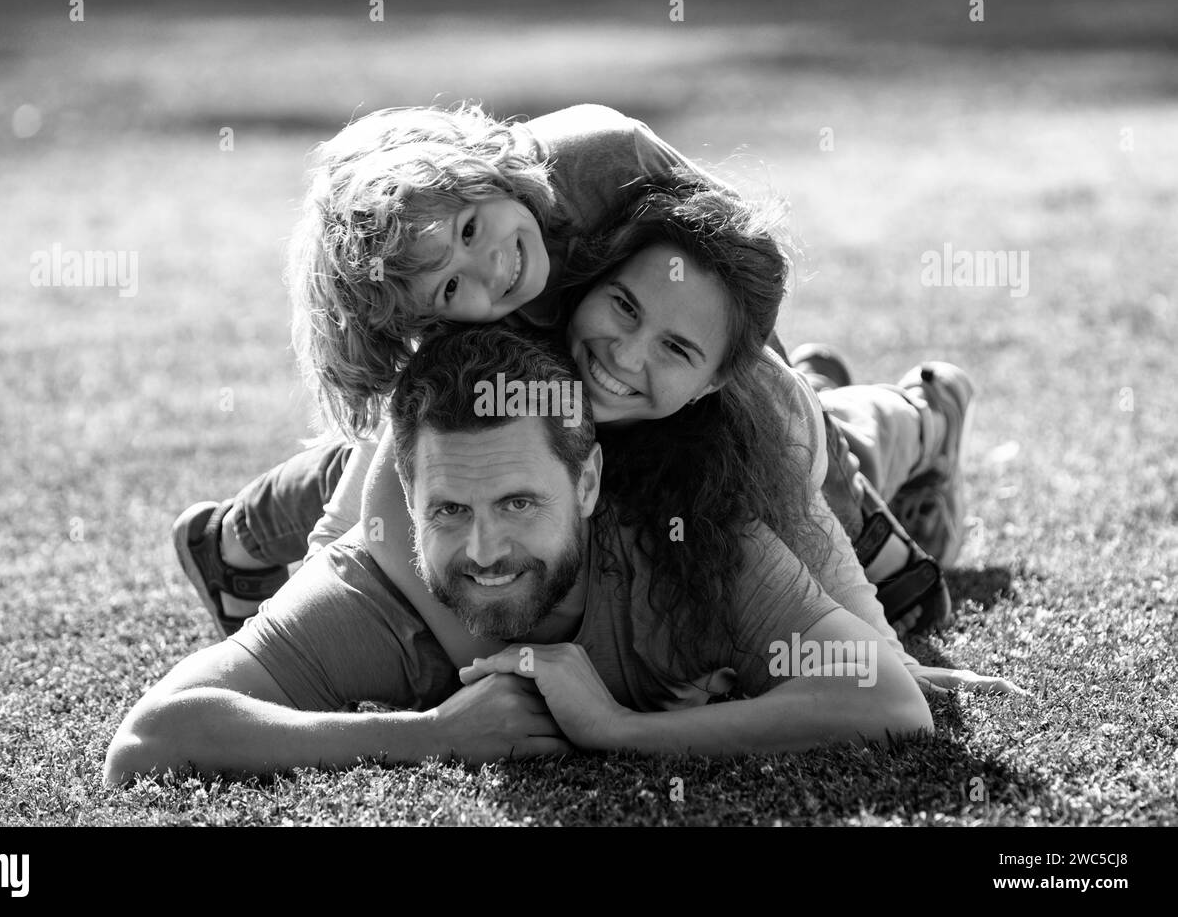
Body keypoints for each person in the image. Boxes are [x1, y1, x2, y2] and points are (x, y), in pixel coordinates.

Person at [174, 106, 950, 639]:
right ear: (429, 317)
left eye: (473, 228)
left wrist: (851, 511)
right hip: (584, 387)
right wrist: (318, 599)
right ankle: (231, 537)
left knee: (761, 399)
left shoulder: (605, 157)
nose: (490, 271)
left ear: (480, 172)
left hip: (664, 365)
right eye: (450, 287)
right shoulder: (468, 331)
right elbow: (376, 477)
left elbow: (736, 306)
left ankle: (899, 417)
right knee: (448, 461)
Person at [103, 325, 936, 786]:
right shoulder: (376, 592)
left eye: (519, 504)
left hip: (789, 441)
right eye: (450, 510)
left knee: (841, 431)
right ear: (402, 492)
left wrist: (618, 729)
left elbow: (891, 701)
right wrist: (428, 735)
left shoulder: (685, 542)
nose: (484, 549)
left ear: (588, 480)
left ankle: (923, 408)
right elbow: (147, 738)